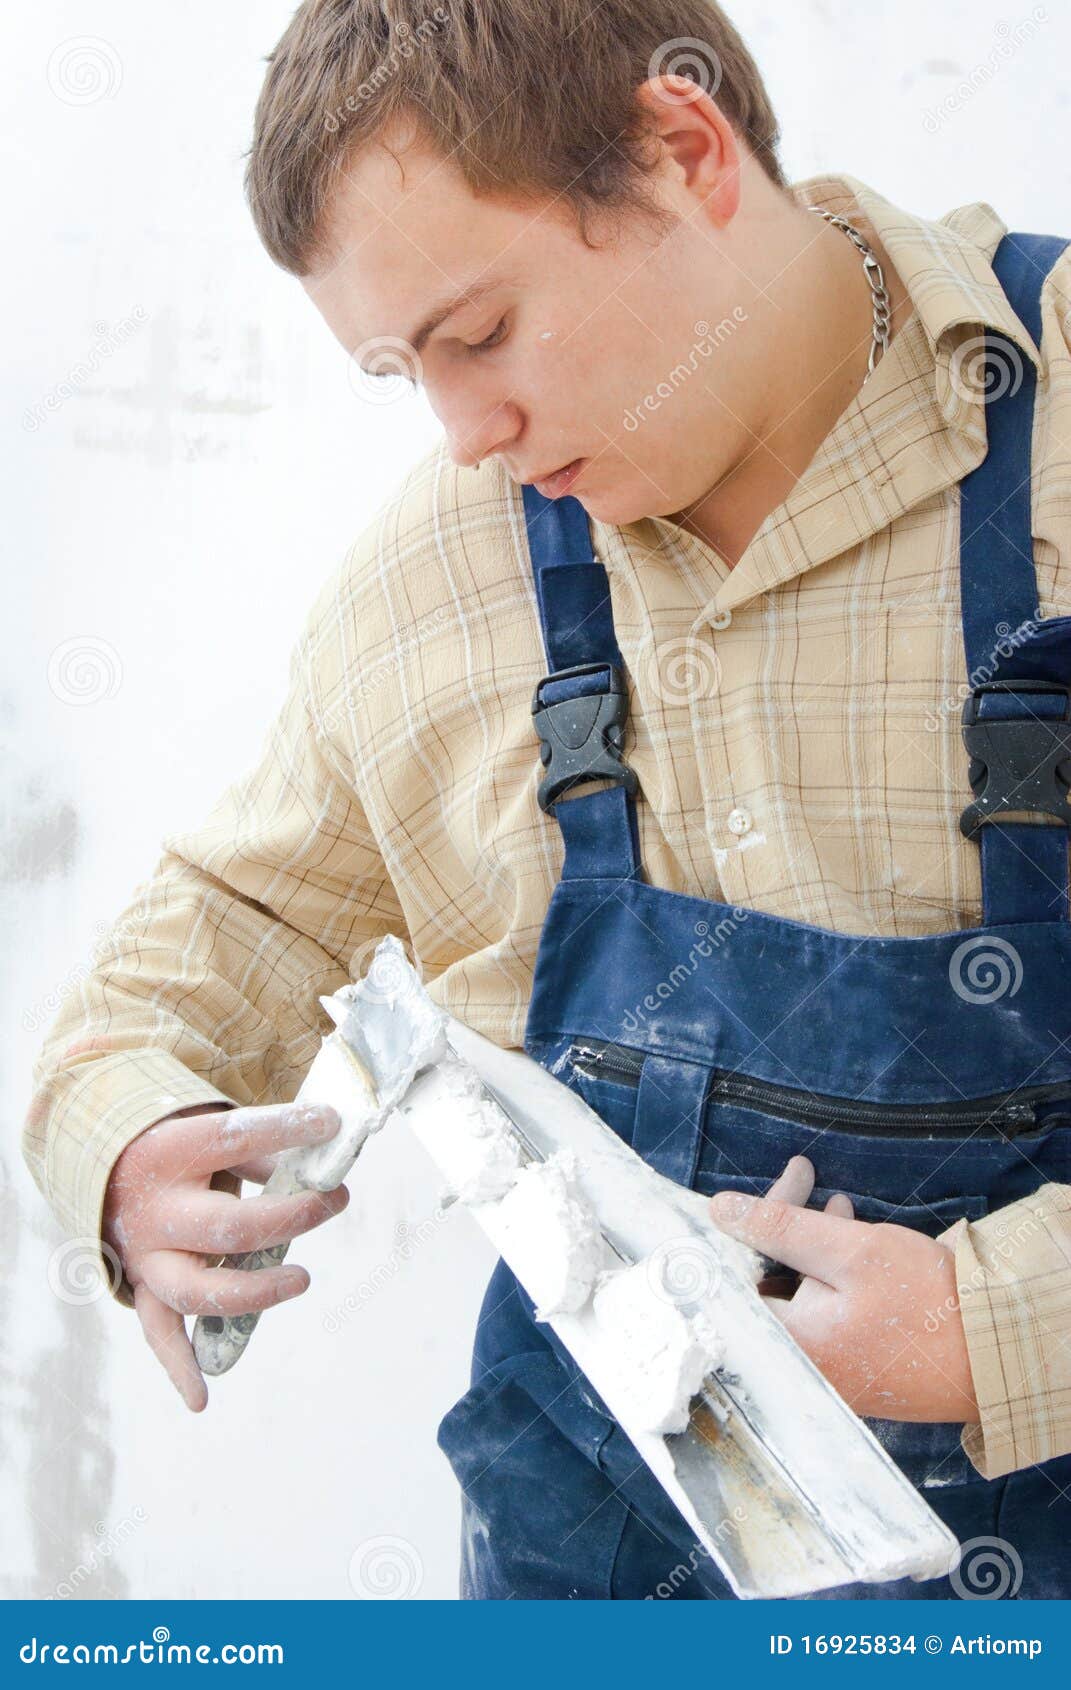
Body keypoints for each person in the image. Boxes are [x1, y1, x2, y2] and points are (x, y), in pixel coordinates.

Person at [25, 0, 1071, 1599]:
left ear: (683, 153)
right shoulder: (442, 580)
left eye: (482, 332)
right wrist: (127, 1143)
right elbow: (189, 954)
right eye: (403, 372)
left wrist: (997, 1328)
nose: (465, 432)